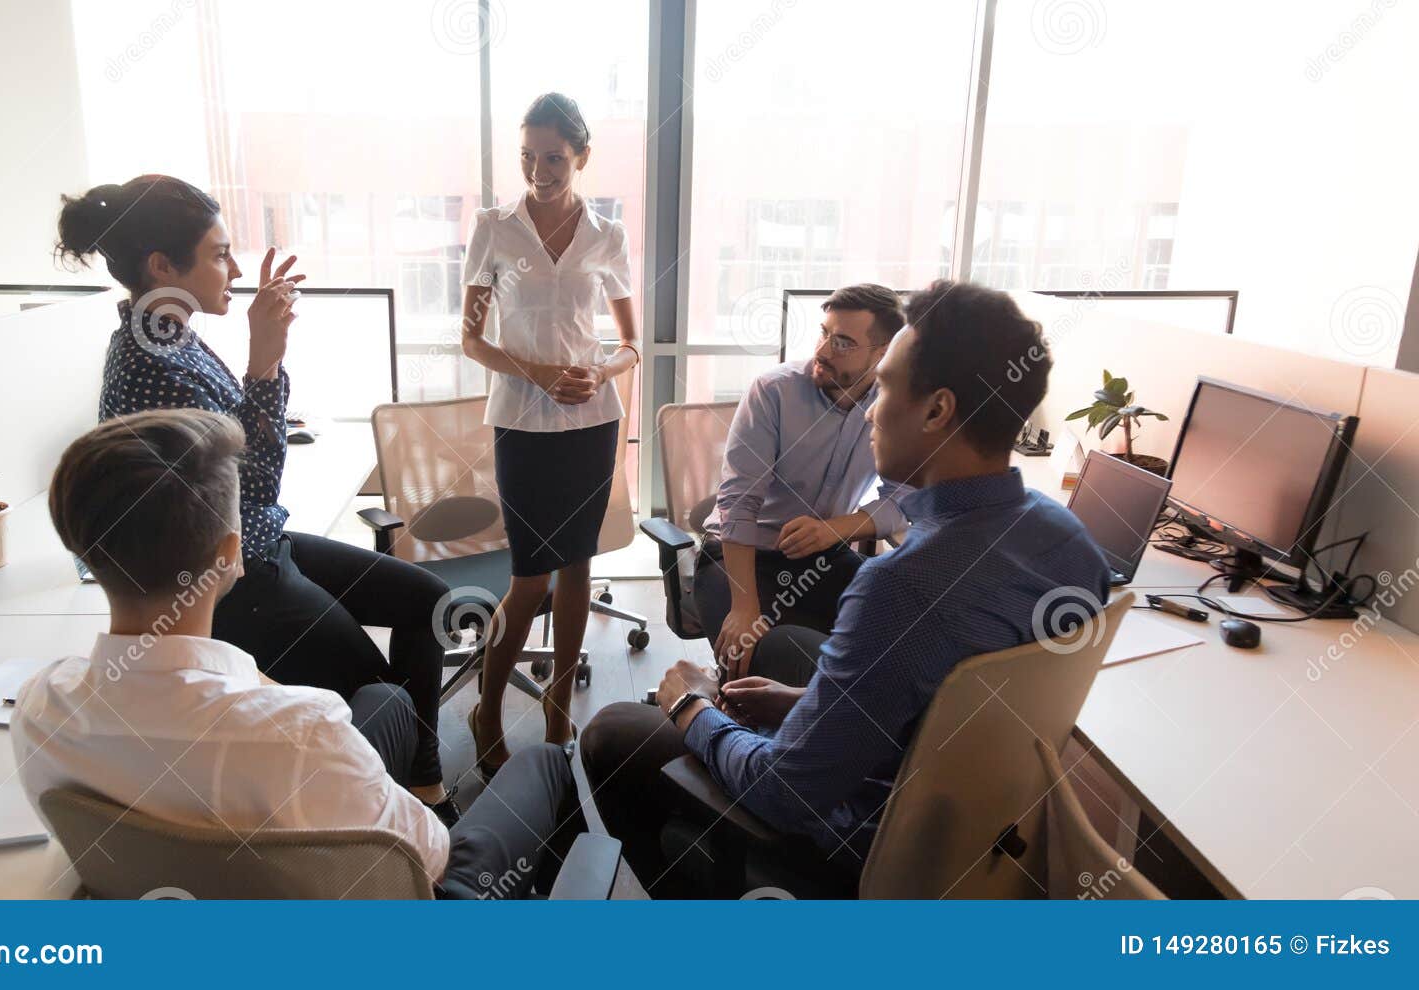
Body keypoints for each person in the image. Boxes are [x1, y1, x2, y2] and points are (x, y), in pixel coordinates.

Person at [580, 280, 1113, 896]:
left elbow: (783, 792)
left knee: (610, 734)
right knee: (783, 663)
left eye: (884, 386)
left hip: (860, 851)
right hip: (971, 841)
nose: (870, 409)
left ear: (937, 411)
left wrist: (690, 705)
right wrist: (810, 700)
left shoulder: (898, 587)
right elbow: (961, 706)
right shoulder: (1072, 544)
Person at [12, 409, 579, 899]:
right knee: (547, 765)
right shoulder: (303, 729)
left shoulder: (40, 708)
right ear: (231, 553)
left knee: (387, 702)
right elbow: (430, 856)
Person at [55, 175, 456, 820]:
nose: (235, 268)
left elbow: (237, 455)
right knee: (381, 695)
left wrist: (260, 368)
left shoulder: (163, 334)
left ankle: (422, 782)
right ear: (163, 265)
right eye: (218, 254)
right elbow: (245, 490)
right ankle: (387, 813)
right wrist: (265, 362)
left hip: (263, 541)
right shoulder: (154, 363)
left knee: (428, 603)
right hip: (233, 576)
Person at [458, 93, 641, 776]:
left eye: (555, 158)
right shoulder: (495, 228)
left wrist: (600, 373)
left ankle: (560, 708)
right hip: (522, 421)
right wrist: (531, 369)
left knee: (577, 569)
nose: (540, 169)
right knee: (529, 579)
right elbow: (472, 340)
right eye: (529, 156)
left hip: (592, 421)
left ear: (582, 157)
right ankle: (487, 708)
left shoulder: (607, 235)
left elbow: (631, 345)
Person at [697, 283, 910, 676]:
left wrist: (836, 529)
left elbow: (905, 500)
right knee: (765, 661)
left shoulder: (895, 404)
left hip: (823, 557)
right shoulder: (773, 392)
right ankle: (729, 729)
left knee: (900, 636)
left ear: (882, 353)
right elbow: (738, 503)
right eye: (824, 333)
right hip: (743, 561)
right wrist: (745, 606)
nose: (823, 351)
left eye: (844, 343)